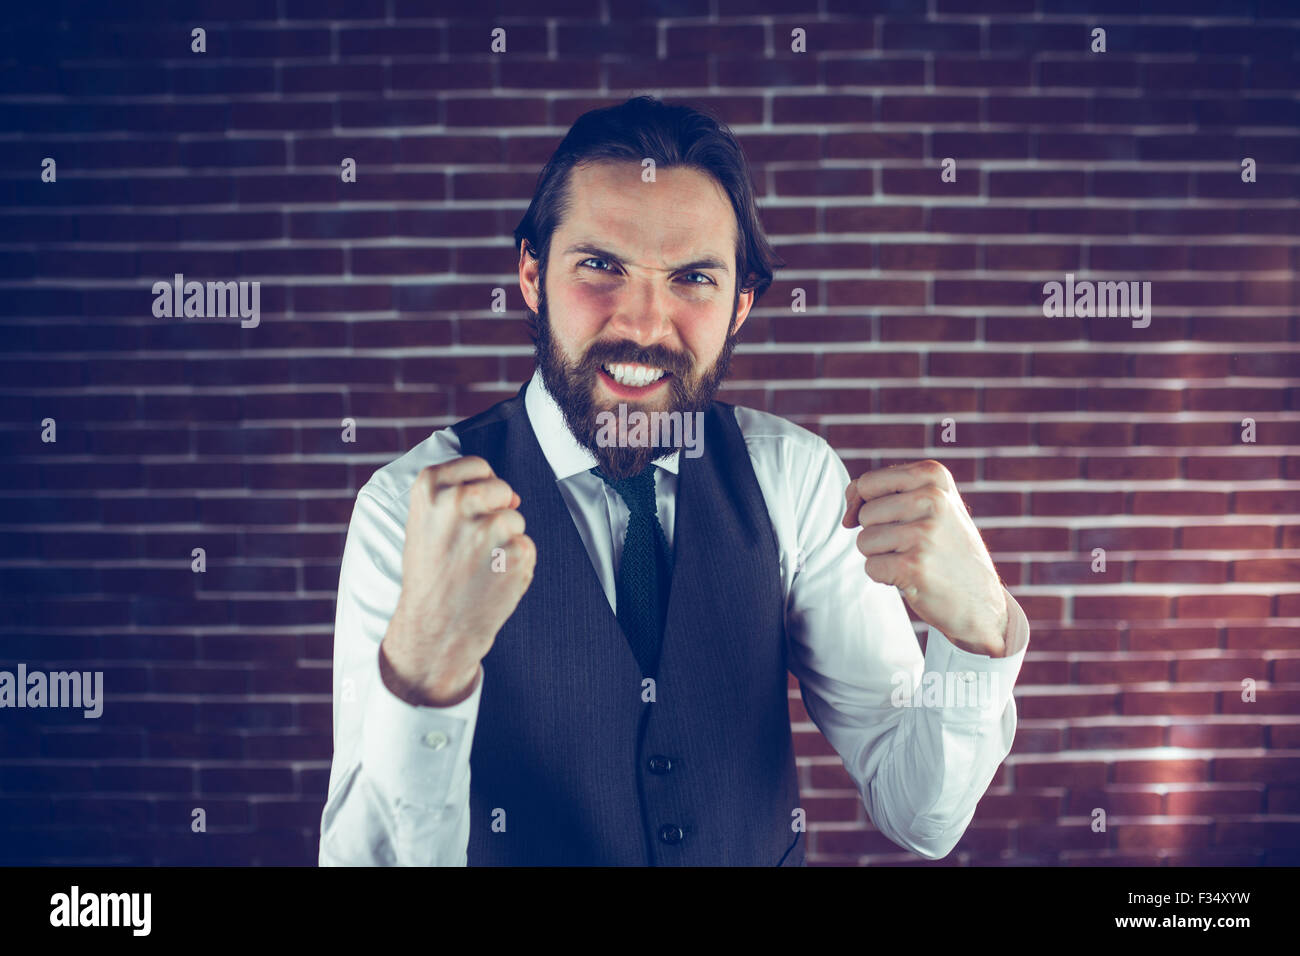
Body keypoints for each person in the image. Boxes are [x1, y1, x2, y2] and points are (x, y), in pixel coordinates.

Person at [318, 96, 1030, 866]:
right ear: (531, 274)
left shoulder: (791, 478)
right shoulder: (407, 510)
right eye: (600, 265)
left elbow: (922, 813)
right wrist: (423, 671)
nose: (644, 324)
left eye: (692, 278)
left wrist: (977, 632)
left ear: (740, 307)